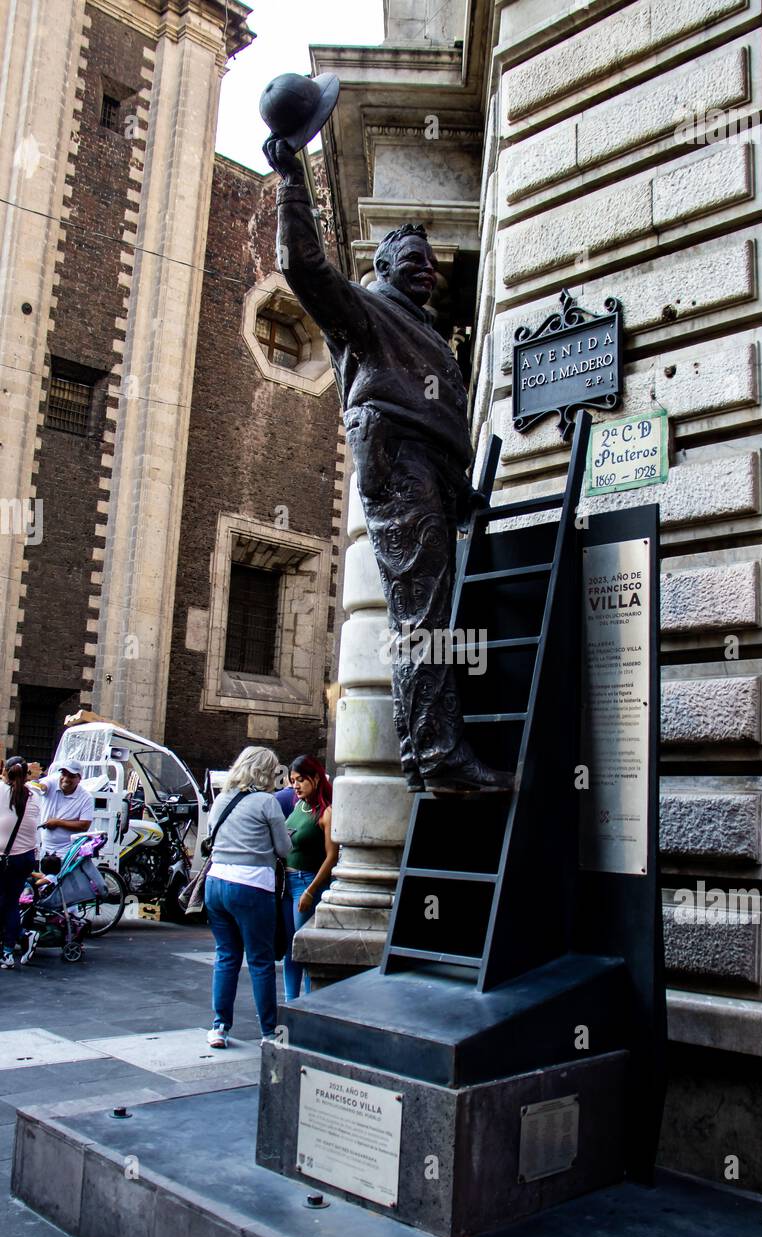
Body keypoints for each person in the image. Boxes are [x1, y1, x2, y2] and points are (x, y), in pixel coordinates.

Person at [265, 133, 511, 797]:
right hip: (398, 466)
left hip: (429, 473)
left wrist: (458, 489)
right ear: (383, 266)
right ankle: (435, 757)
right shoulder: (368, 311)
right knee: (422, 618)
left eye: (432, 262)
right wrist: (291, 177)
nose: (428, 269)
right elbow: (304, 264)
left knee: (433, 616)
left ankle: (430, 752)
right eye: (413, 260)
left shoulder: (426, 330)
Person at [204, 746, 292, 1047]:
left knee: (226, 956)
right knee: (260, 961)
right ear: (266, 772)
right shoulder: (267, 802)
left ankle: (219, 1027)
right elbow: (283, 850)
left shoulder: (221, 800)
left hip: (215, 882)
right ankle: (269, 1032)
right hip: (251, 884)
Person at [281, 755, 337, 1000]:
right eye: (293, 780)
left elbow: (331, 856)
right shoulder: (297, 806)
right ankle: (290, 1001)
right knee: (289, 948)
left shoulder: (327, 812)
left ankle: (306, 1002)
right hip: (287, 882)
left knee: (303, 948)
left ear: (315, 778)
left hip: (306, 882)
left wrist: (311, 890)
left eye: (301, 780)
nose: (296, 785)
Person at [0, 757, 41, 969]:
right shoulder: (34, 797)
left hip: (4, 859)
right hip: (25, 858)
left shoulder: (1, 791)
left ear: (5, 773)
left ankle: (20, 938)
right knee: (10, 904)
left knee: (5, 904)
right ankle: (9, 951)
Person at [30, 760, 94, 873]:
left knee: (61, 883)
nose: (66, 779)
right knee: (46, 883)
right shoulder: (53, 781)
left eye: (71, 776)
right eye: (64, 774)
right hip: (46, 848)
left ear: (79, 779)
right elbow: (41, 786)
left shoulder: (86, 797)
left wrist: (57, 822)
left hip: (67, 850)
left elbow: (84, 825)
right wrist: (37, 784)